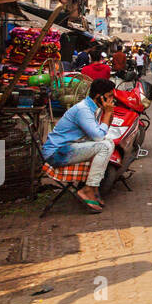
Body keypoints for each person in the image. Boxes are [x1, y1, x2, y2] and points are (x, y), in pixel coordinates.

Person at [42, 77, 118, 212]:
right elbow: (99, 136)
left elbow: (98, 134)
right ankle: (89, 188)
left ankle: (93, 188)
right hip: (57, 153)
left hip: (67, 148)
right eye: (109, 96)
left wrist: (108, 113)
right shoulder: (83, 110)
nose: (112, 100)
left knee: (109, 143)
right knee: (104, 146)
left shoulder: (91, 108)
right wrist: (108, 112)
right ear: (99, 97)